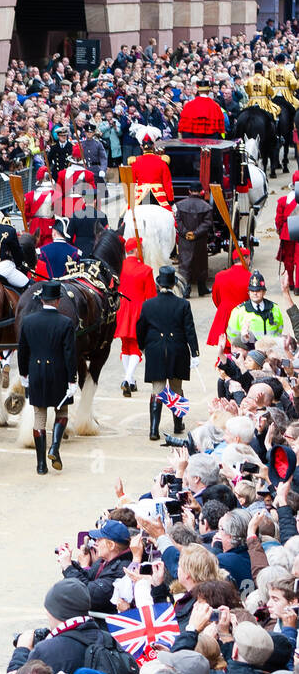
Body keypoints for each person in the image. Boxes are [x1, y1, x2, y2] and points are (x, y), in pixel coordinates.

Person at [17, 281, 78, 474]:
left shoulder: (28, 321)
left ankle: (41, 464)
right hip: (59, 373)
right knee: (62, 414)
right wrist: (72, 379)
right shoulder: (66, 323)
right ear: (58, 301)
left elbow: (22, 351)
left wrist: (23, 373)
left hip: (36, 373)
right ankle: (54, 447)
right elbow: (70, 354)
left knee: (39, 419)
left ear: (42, 299)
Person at [136, 266, 199, 441]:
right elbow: (190, 331)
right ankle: (178, 424)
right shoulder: (184, 304)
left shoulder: (148, 305)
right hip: (177, 349)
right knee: (176, 388)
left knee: (158, 389)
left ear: (158, 284)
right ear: (173, 285)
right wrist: (195, 352)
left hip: (155, 349)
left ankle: (153, 430)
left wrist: (143, 347)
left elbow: (140, 328)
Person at [116, 237, 156, 397]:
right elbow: (151, 297)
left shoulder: (119, 267)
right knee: (136, 348)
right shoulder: (146, 270)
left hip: (121, 309)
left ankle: (130, 381)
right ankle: (127, 379)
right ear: (136, 250)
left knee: (125, 346)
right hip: (138, 311)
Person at [173, 184, 215, 297]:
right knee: (201, 263)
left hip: (184, 240)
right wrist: (195, 234)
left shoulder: (179, 205)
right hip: (200, 240)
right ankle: (202, 288)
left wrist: (186, 233)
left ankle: (186, 289)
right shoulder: (206, 207)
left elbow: (177, 221)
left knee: (185, 264)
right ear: (201, 191)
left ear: (189, 191)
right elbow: (207, 223)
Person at [225, 270, 284, 348]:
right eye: (252, 291)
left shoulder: (274, 308)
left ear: (264, 292)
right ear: (248, 292)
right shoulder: (239, 311)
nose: (255, 293)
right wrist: (243, 348)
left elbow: (279, 330)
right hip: (250, 354)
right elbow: (231, 335)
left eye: (258, 290)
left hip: (271, 353)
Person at [207, 252, 252, 349]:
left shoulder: (220, 276)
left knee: (223, 350)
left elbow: (216, 298)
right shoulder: (250, 277)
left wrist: (223, 307)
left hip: (224, 314)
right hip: (242, 317)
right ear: (246, 259)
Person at [127, 125, 174, 208]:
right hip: (159, 198)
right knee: (172, 217)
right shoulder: (162, 161)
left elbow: (132, 183)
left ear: (141, 147)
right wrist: (171, 200)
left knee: (126, 217)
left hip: (141, 197)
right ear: (154, 146)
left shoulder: (134, 162)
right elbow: (167, 183)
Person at [275, 169, 299, 291]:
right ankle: (298, 286)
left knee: (288, 259)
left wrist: (279, 230)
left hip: (287, 232)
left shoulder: (283, 201)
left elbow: (278, 219)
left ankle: (291, 283)